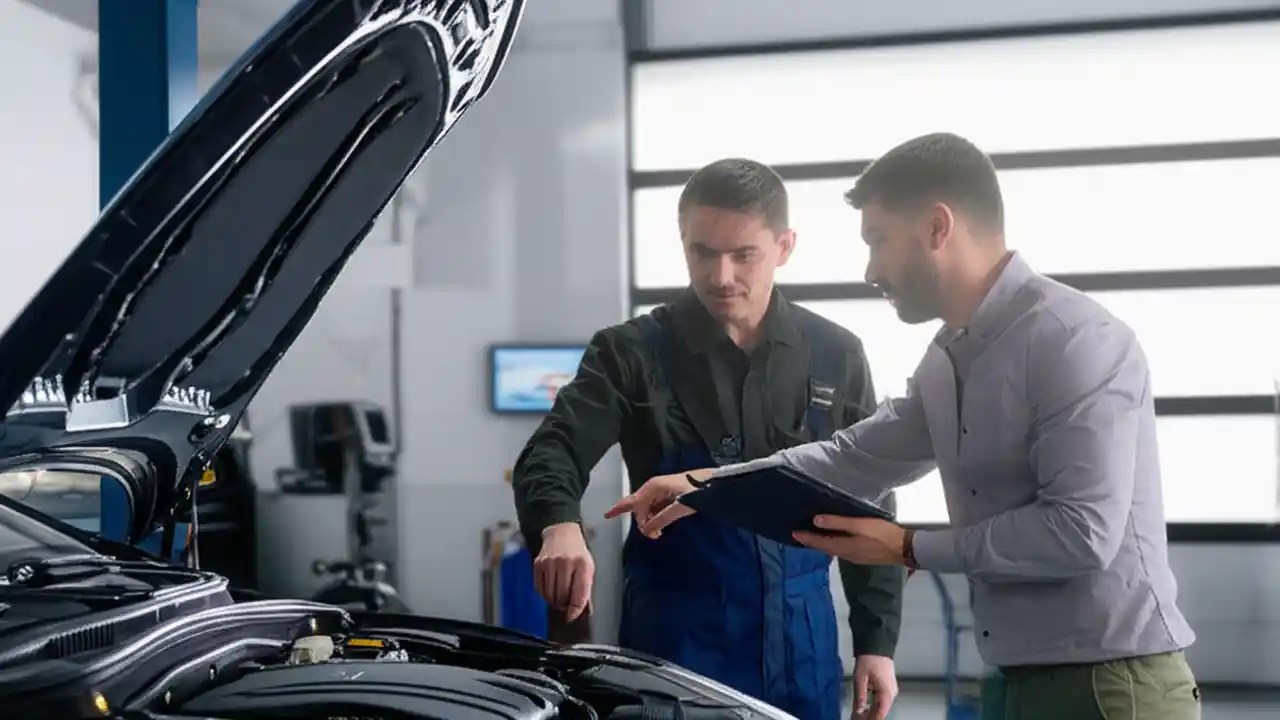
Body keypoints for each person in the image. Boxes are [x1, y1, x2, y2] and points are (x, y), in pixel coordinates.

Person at [610, 133, 1201, 720]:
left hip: (1115, 689)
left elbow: (1082, 532)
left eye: (879, 240)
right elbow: (852, 457)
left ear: (938, 228)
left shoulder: (1074, 341)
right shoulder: (950, 358)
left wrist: (907, 547)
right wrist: (709, 486)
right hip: (1018, 678)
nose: (870, 269)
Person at [511, 158, 906, 720]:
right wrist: (559, 525)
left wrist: (876, 641)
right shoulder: (630, 352)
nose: (722, 276)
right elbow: (554, 450)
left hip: (802, 648)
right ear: (682, 244)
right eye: (703, 253)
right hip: (676, 646)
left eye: (744, 255)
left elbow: (871, 499)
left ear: (785, 246)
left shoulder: (836, 355)